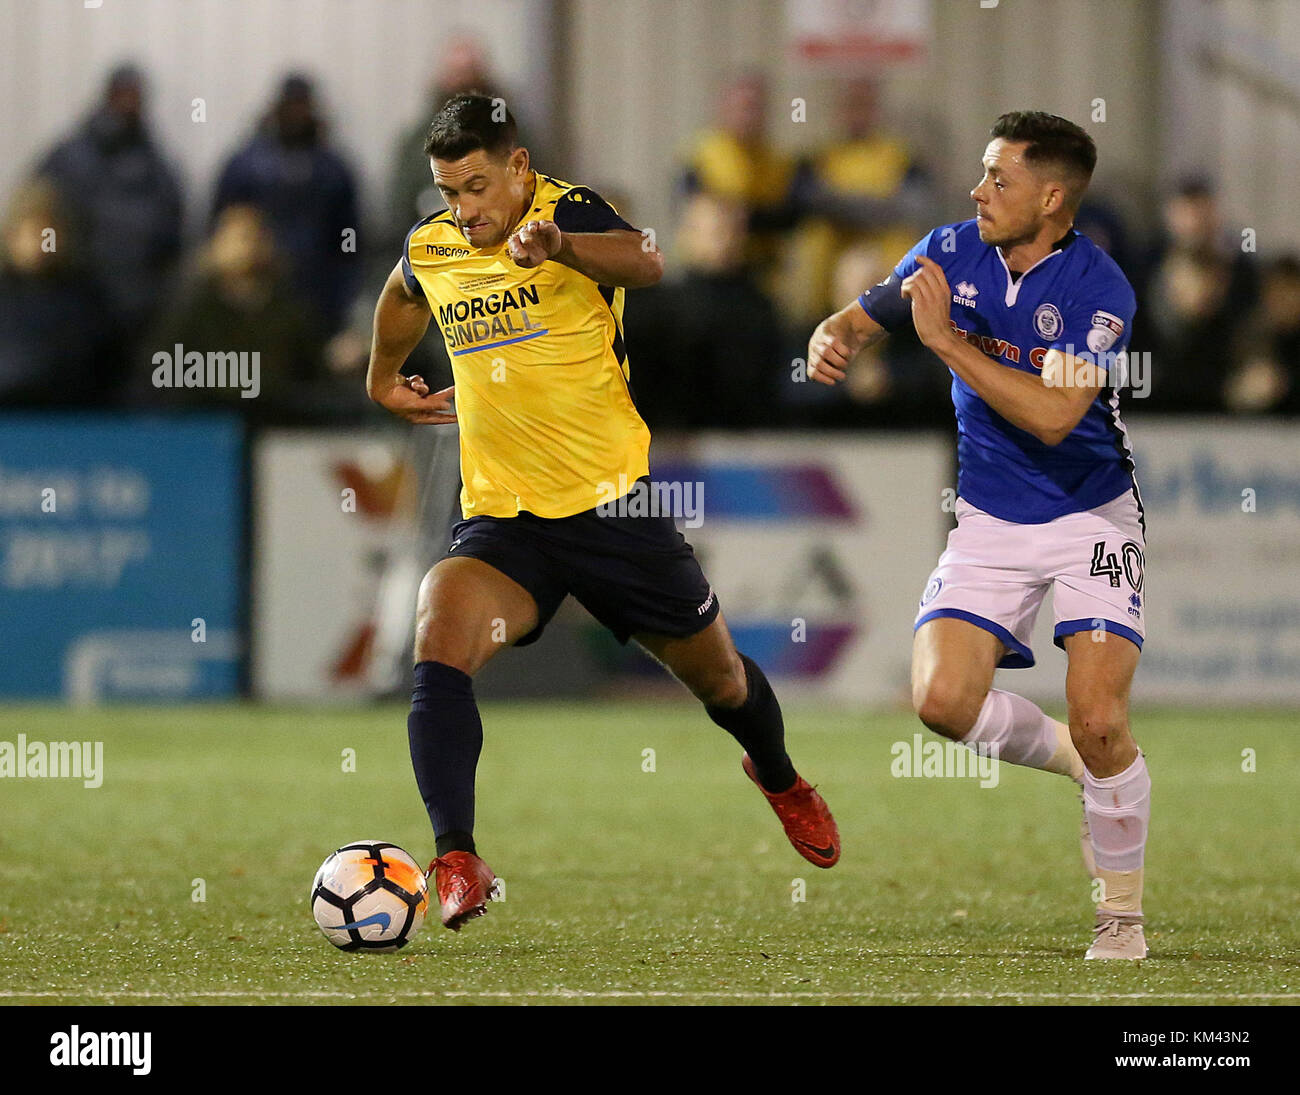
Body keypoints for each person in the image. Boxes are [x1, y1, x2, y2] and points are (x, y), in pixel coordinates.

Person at [366, 94, 839, 931]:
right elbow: (404, 291)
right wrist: (381, 378)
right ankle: (457, 857)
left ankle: (778, 774)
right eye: (449, 192)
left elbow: (648, 261)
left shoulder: (568, 211)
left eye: (478, 186)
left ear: (517, 167)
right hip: (506, 522)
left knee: (722, 680)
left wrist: (562, 248)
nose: (465, 210)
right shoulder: (435, 244)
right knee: (439, 619)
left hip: (613, 511)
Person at [808, 112, 1150, 960]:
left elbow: (1052, 414)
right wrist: (834, 336)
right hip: (990, 519)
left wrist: (946, 344)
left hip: (1090, 514)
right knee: (941, 703)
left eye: (1000, 179)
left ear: (1053, 196)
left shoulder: (1100, 289)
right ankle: (1075, 761)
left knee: (1103, 717)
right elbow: (859, 317)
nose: (978, 191)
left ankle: (1120, 916)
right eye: (981, 174)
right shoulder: (948, 250)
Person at [213, 74, 361, 334]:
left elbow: (349, 241)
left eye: (301, 106)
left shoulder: (332, 171)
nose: (296, 114)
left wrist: (344, 296)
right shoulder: (246, 167)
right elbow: (221, 231)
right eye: (290, 106)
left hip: (317, 301)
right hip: (256, 298)